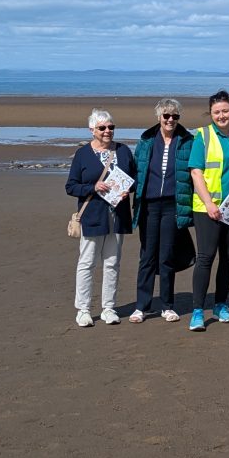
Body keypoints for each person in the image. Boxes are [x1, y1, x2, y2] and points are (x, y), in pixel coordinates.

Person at [186, 89, 229, 331]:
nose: (221, 115)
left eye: (225, 111)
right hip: (207, 209)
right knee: (205, 257)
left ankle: (220, 305)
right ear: (211, 114)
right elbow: (196, 172)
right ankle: (197, 311)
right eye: (216, 112)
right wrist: (209, 203)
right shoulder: (202, 136)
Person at [65, 109, 137, 327]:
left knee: (112, 263)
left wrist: (128, 190)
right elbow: (71, 186)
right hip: (93, 216)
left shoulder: (123, 151)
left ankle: (108, 307)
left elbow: (134, 178)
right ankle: (83, 310)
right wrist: (93, 187)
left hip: (117, 216)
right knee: (87, 263)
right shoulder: (83, 154)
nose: (108, 131)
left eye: (111, 127)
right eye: (102, 128)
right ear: (92, 130)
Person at [131, 99, 194, 323]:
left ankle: (168, 305)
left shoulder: (188, 141)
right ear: (159, 117)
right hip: (148, 205)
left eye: (175, 116)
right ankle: (142, 306)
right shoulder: (146, 140)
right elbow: (136, 170)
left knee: (167, 256)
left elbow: (195, 175)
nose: (170, 120)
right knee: (147, 256)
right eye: (166, 116)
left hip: (173, 205)